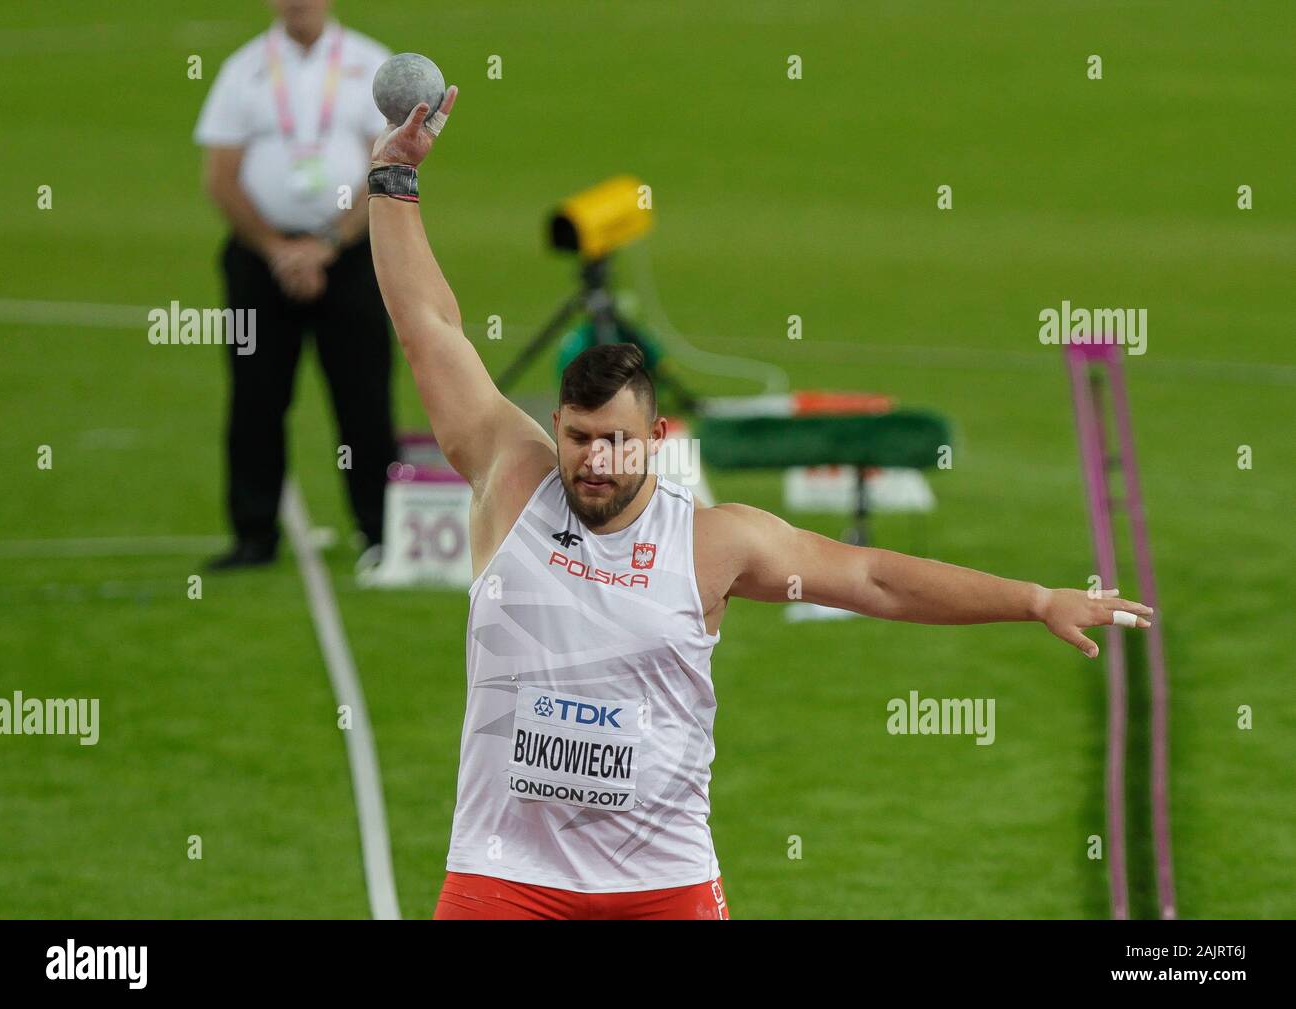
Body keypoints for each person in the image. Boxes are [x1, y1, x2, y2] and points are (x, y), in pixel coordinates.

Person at [366, 94, 1154, 920]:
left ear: (657, 436)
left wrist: (1032, 600)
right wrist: (395, 177)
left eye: (618, 442)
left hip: (659, 886)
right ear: (556, 426)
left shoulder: (713, 542)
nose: (595, 462)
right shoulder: (512, 479)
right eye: (579, 438)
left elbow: (875, 579)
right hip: (505, 874)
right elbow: (430, 327)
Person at [194, 0, 396, 570]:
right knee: (255, 398)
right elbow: (220, 177)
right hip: (260, 261)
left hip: (352, 256)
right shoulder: (244, 70)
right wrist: (279, 250)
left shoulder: (369, 66)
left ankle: (379, 531)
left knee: (364, 398)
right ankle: (254, 535)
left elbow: (388, 165)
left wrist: (328, 244)